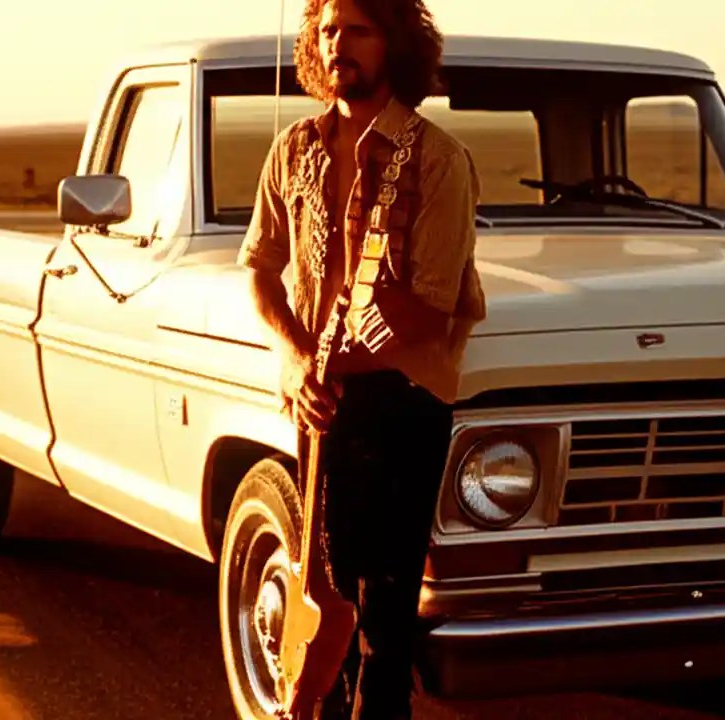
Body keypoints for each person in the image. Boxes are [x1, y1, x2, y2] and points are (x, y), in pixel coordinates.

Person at [237, 0, 487, 717]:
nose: (338, 44)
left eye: (358, 30)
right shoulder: (294, 149)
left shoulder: (438, 158)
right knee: (325, 597)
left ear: (395, 42)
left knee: (384, 618)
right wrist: (296, 359)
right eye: (327, 31)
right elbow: (259, 267)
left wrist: (334, 357)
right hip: (318, 399)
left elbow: (430, 306)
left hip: (400, 400)